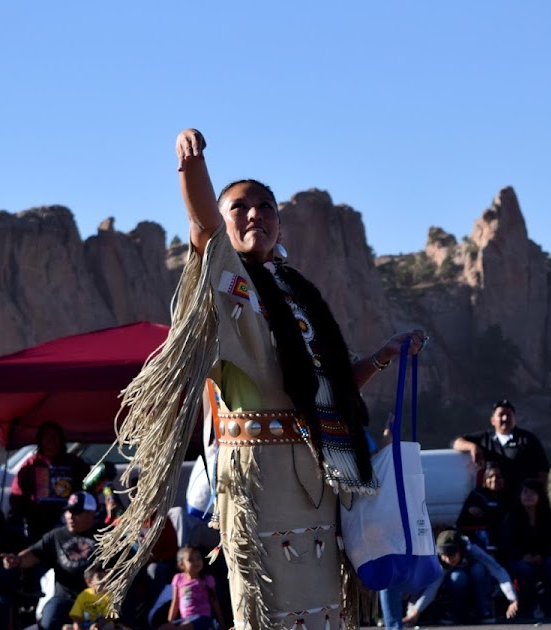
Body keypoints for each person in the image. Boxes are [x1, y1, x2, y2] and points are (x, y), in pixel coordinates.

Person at [96, 128, 428, 630]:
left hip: (318, 470)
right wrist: (192, 167)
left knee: (322, 605)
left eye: (267, 207)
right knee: (269, 604)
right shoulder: (231, 286)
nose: (256, 215)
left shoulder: (298, 295)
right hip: (256, 472)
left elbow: (329, 390)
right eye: (241, 208)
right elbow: (205, 230)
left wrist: (382, 356)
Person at [5, 491, 99, 630]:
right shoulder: (57, 535)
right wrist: (17, 560)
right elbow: (34, 553)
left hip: (97, 598)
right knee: (47, 624)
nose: (70, 516)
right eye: (68, 512)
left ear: (91, 514)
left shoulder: (106, 534)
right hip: (65, 597)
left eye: (77, 512)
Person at [403, 530, 518, 626]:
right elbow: (433, 587)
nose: (448, 560)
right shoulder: (440, 562)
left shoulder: (472, 549)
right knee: (457, 577)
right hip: (454, 583)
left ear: (460, 551)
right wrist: (416, 611)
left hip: (477, 581)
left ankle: (482, 611)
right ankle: (454, 612)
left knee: (478, 570)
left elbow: (497, 570)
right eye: (444, 556)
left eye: (452, 555)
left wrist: (512, 599)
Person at [451, 399, 550, 501]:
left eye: (509, 415)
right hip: (493, 501)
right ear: (492, 420)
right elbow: (456, 443)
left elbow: (543, 470)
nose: (505, 418)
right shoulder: (484, 439)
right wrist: (473, 447)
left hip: (520, 501)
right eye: (501, 415)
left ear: (515, 419)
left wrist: (541, 496)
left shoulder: (528, 440)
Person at [9, 422, 90, 544]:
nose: (51, 439)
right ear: (40, 440)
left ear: (61, 439)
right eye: (47, 436)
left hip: (69, 522)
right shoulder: (31, 464)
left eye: (55, 435)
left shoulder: (74, 463)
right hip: (38, 524)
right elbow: (17, 494)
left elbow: (89, 488)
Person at [501, 479, 551, 619]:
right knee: (525, 570)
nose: (528, 495)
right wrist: (523, 556)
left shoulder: (549, 516)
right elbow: (507, 544)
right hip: (519, 558)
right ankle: (529, 607)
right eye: (525, 492)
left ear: (540, 495)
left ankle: (549, 605)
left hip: (545, 557)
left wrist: (542, 556)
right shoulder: (512, 517)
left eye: (532, 492)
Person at [160, 546, 224, 630]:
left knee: (183, 628)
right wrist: (170, 622)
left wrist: (222, 622)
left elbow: (214, 601)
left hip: (203, 618)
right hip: (186, 619)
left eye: (198, 558)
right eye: (191, 560)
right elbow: (175, 602)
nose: (196, 562)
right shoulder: (178, 578)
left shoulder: (207, 579)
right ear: (182, 565)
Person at [455, 463, 511, 552]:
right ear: (485, 480)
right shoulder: (476, 495)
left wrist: (487, 513)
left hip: (502, 542)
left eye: (498, 476)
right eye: (490, 476)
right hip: (477, 541)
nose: (494, 479)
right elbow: (465, 518)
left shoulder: (509, 496)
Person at [65, 565, 117, 630]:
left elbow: (109, 617)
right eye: (100, 578)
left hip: (100, 625)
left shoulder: (109, 595)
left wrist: (97, 625)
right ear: (89, 582)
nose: (104, 581)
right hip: (84, 625)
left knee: (109, 625)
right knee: (66, 628)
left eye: (107, 578)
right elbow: (76, 617)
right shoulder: (83, 595)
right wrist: (77, 626)